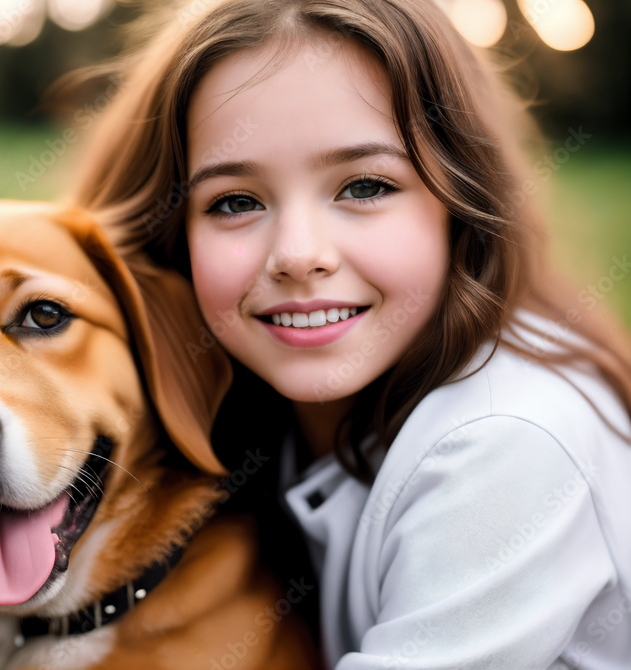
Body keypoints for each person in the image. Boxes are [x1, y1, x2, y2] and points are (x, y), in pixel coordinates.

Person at [64, 0, 631, 667]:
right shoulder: (239, 415)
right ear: (172, 238)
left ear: (463, 204)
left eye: (364, 186)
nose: (298, 254)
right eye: (236, 202)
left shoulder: (506, 443)